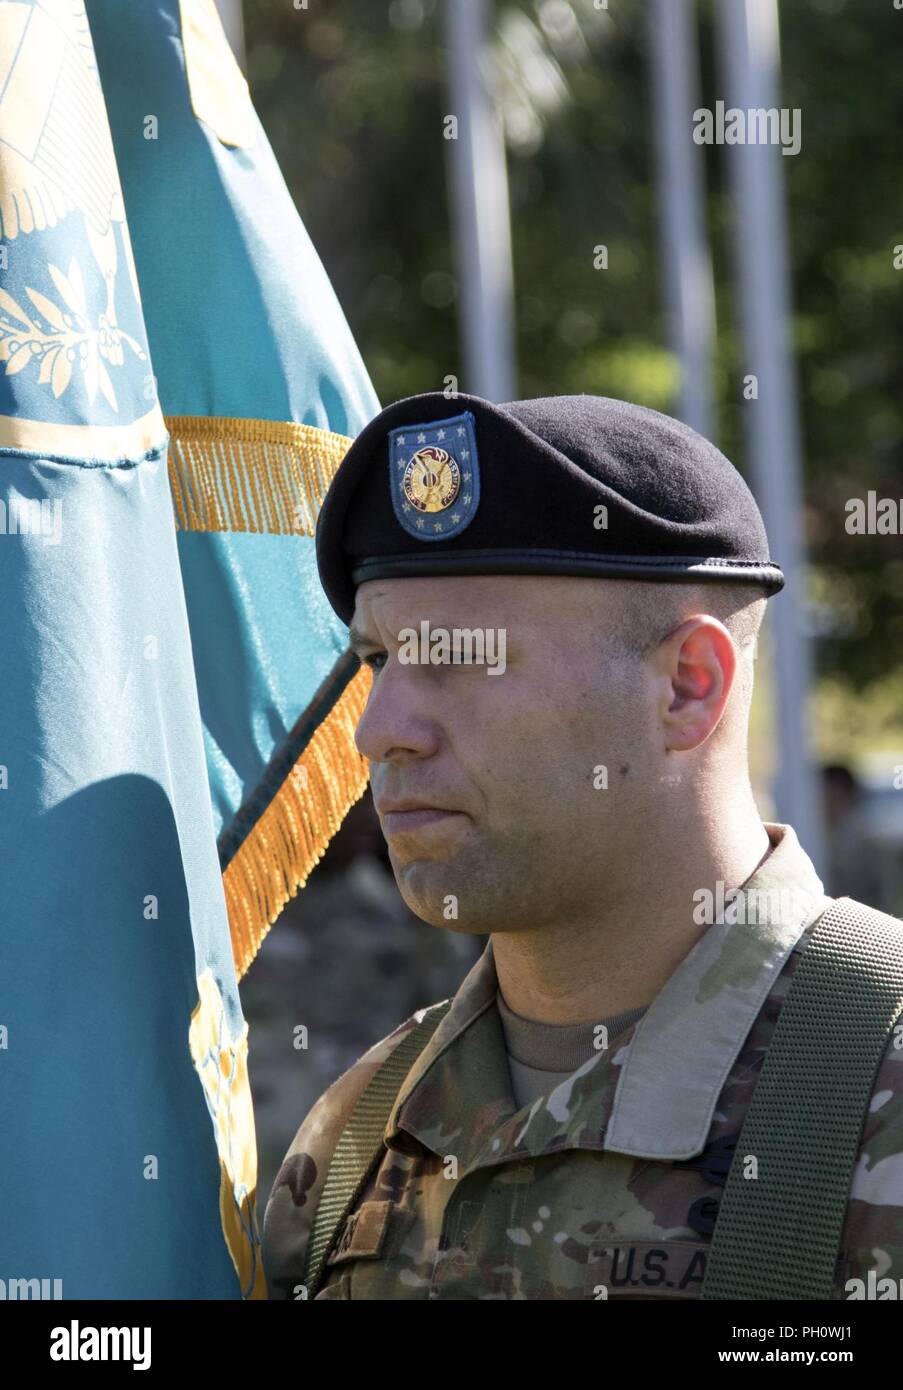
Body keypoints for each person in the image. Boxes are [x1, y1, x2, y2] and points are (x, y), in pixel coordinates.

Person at [262, 391, 903, 1301]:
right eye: (377, 661)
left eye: (457, 655)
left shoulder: (871, 1089)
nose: (380, 729)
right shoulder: (357, 1132)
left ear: (687, 686)